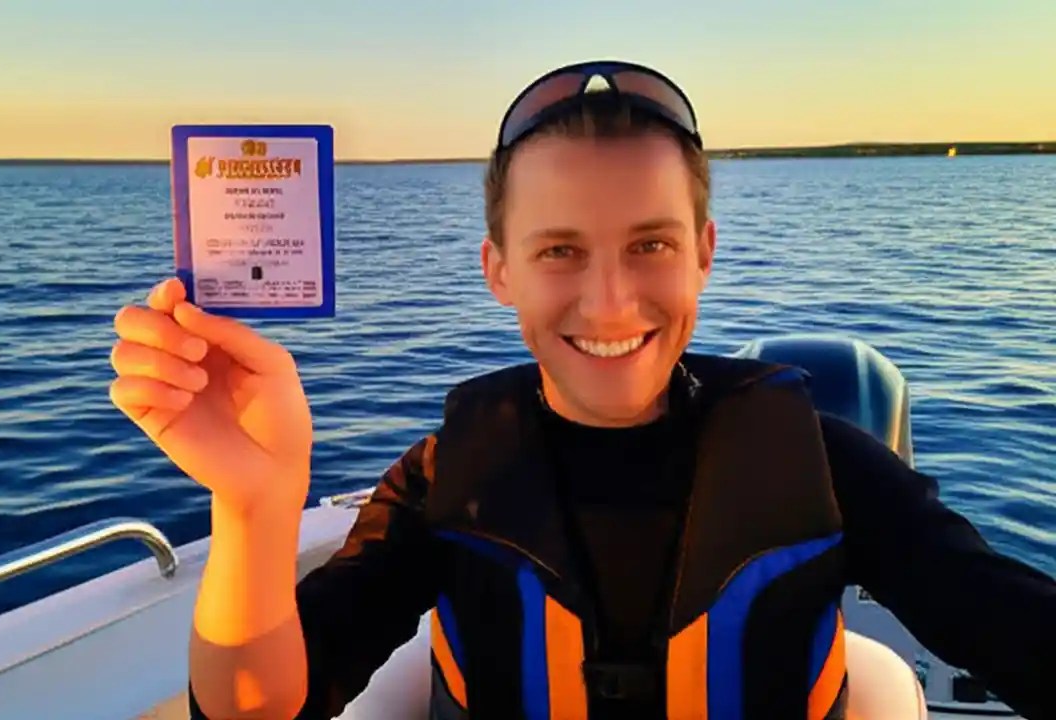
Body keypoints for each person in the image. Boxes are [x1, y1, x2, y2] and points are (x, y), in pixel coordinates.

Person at [109, 60, 1056, 719]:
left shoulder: (824, 465)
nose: (611, 301)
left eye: (650, 244)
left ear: (704, 256)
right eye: (560, 250)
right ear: (500, 270)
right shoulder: (448, 482)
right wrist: (251, 506)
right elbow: (253, 710)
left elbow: (1012, 624)